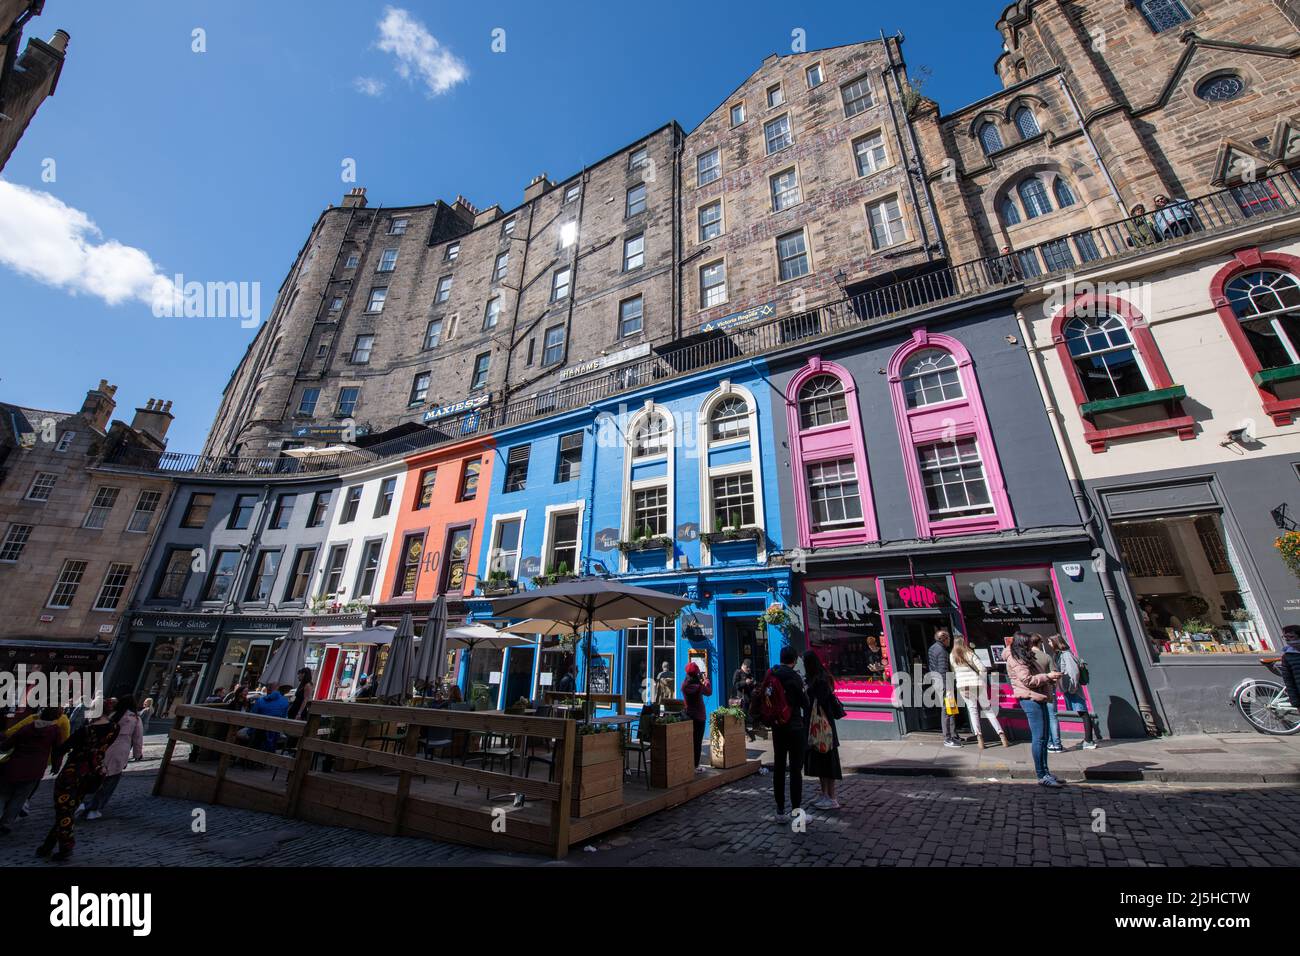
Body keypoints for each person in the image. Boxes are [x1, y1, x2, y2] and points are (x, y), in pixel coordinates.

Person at [37, 706, 122, 860]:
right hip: (92, 774)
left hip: (73, 773)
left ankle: (66, 847)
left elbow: (62, 748)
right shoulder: (115, 728)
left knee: (64, 811)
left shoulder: (85, 731)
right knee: (69, 808)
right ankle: (47, 846)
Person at [1006, 632, 1063, 788]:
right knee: (1039, 738)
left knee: (1043, 737)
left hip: (1039, 697)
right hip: (1030, 698)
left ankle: (1046, 772)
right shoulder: (1017, 659)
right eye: (1028, 643)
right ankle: (1041, 774)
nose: (1031, 646)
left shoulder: (1024, 656)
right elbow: (1027, 680)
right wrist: (1048, 676)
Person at [81, 695, 145, 820]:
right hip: (120, 751)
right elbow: (138, 738)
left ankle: (84, 803)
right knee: (110, 781)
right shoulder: (135, 719)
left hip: (104, 747)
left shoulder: (112, 715)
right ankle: (94, 809)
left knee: (95, 777)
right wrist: (138, 754)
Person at [0, 708, 61, 836]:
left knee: (3, 794)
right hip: (35, 769)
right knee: (20, 797)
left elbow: (8, 744)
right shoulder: (54, 731)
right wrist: (56, 766)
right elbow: (56, 751)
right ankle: (6, 823)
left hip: (15, 766)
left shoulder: (27, 728)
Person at [766, 645, 809, 823]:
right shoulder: (794, 677)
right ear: (795, 660)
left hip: (777, 727)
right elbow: (804, 703)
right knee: (795, 770)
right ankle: (796, 811)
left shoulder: (772, 674)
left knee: (779, 767)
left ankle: (780, 809)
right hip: (794, 726)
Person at [950, 635, 1008, 749]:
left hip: (963, 687)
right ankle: (1002, 736)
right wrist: (981, 680)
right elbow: (983, 668)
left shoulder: (952, 656)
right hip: (977, 685)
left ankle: (979, 739)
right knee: (988, 710)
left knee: (973, 711)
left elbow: (954, 672)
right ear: (963, 643)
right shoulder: (970, 653)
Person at [802, 651, 842, 810]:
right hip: (816, 726)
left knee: (828, 762)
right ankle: (824, 794)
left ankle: (832, 797)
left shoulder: (821, 680)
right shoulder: (817, 679)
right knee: (820, 761)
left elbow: (822, 702)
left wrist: (807, 691)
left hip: (824, 727)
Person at [1048, 635, 1096, 750]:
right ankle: (1088, 740)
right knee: (1081, 712)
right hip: (1069, 689)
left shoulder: (1066, 655)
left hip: (1073, 689)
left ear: (1056, 642)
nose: (1049, 643)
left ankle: (1089, 741)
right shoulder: (1059, 655)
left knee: (1083, 712)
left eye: (1050, 641)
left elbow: (1073, 673)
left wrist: (1072, 688)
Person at [1029, 634, 1063, 753]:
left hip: (1036, 691)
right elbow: (1054, 675)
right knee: (1053, 717)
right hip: (1048, 689)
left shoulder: (1028, 657)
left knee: (1042, 718)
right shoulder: (1047, 657)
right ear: (1040, 643)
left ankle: (1048, 743)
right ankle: (1057, 744)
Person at [928, 629, 960, 747]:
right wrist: (948, 688)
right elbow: (943, 670)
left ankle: (953, 735)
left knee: (950, 709)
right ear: (944, 639)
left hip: (938, 682)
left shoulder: (932, 648)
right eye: (948, 639)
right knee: (947, 711)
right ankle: (948, 738)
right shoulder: (942, 651)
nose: (949, 641)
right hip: (944, 683)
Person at [680, 659, 713, 771]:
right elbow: (708, 691)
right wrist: (706, 680)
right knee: (697, 742)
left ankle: (688, 764)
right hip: (699, 716)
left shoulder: (684, 686)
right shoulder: (699, 687)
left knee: (689, 741)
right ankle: (695, 765)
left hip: (688, 715)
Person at [730, 659, 757, 741]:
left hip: (748, 699)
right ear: (743, 665)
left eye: (749, 667)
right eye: (747, 667)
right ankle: (744, 734)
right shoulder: (738, 672)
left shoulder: (749, 674)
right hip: (740, 699)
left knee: (746, 716)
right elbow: (735, 685)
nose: (748, 669)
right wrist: (745, 682)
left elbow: (752, 684)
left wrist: (753, 682)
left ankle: (747, 731)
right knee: (742, 717)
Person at [1277, 626, 1300, 712]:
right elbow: (1289, 681)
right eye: (1285, 637)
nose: (1288, 640)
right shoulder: (1287, 657)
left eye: (1291, 637)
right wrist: (1296, 703)